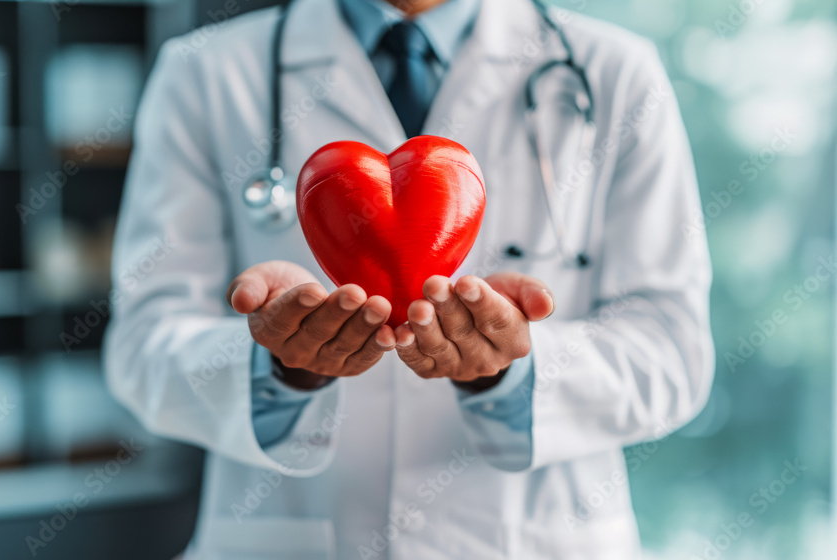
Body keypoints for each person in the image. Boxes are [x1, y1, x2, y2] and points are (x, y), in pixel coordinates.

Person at [104, 0, 715, 557]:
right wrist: (280, 367)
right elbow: (142, 350)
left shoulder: (616, 72)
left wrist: (516, 368)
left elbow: (672, 351)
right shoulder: (206, 74)